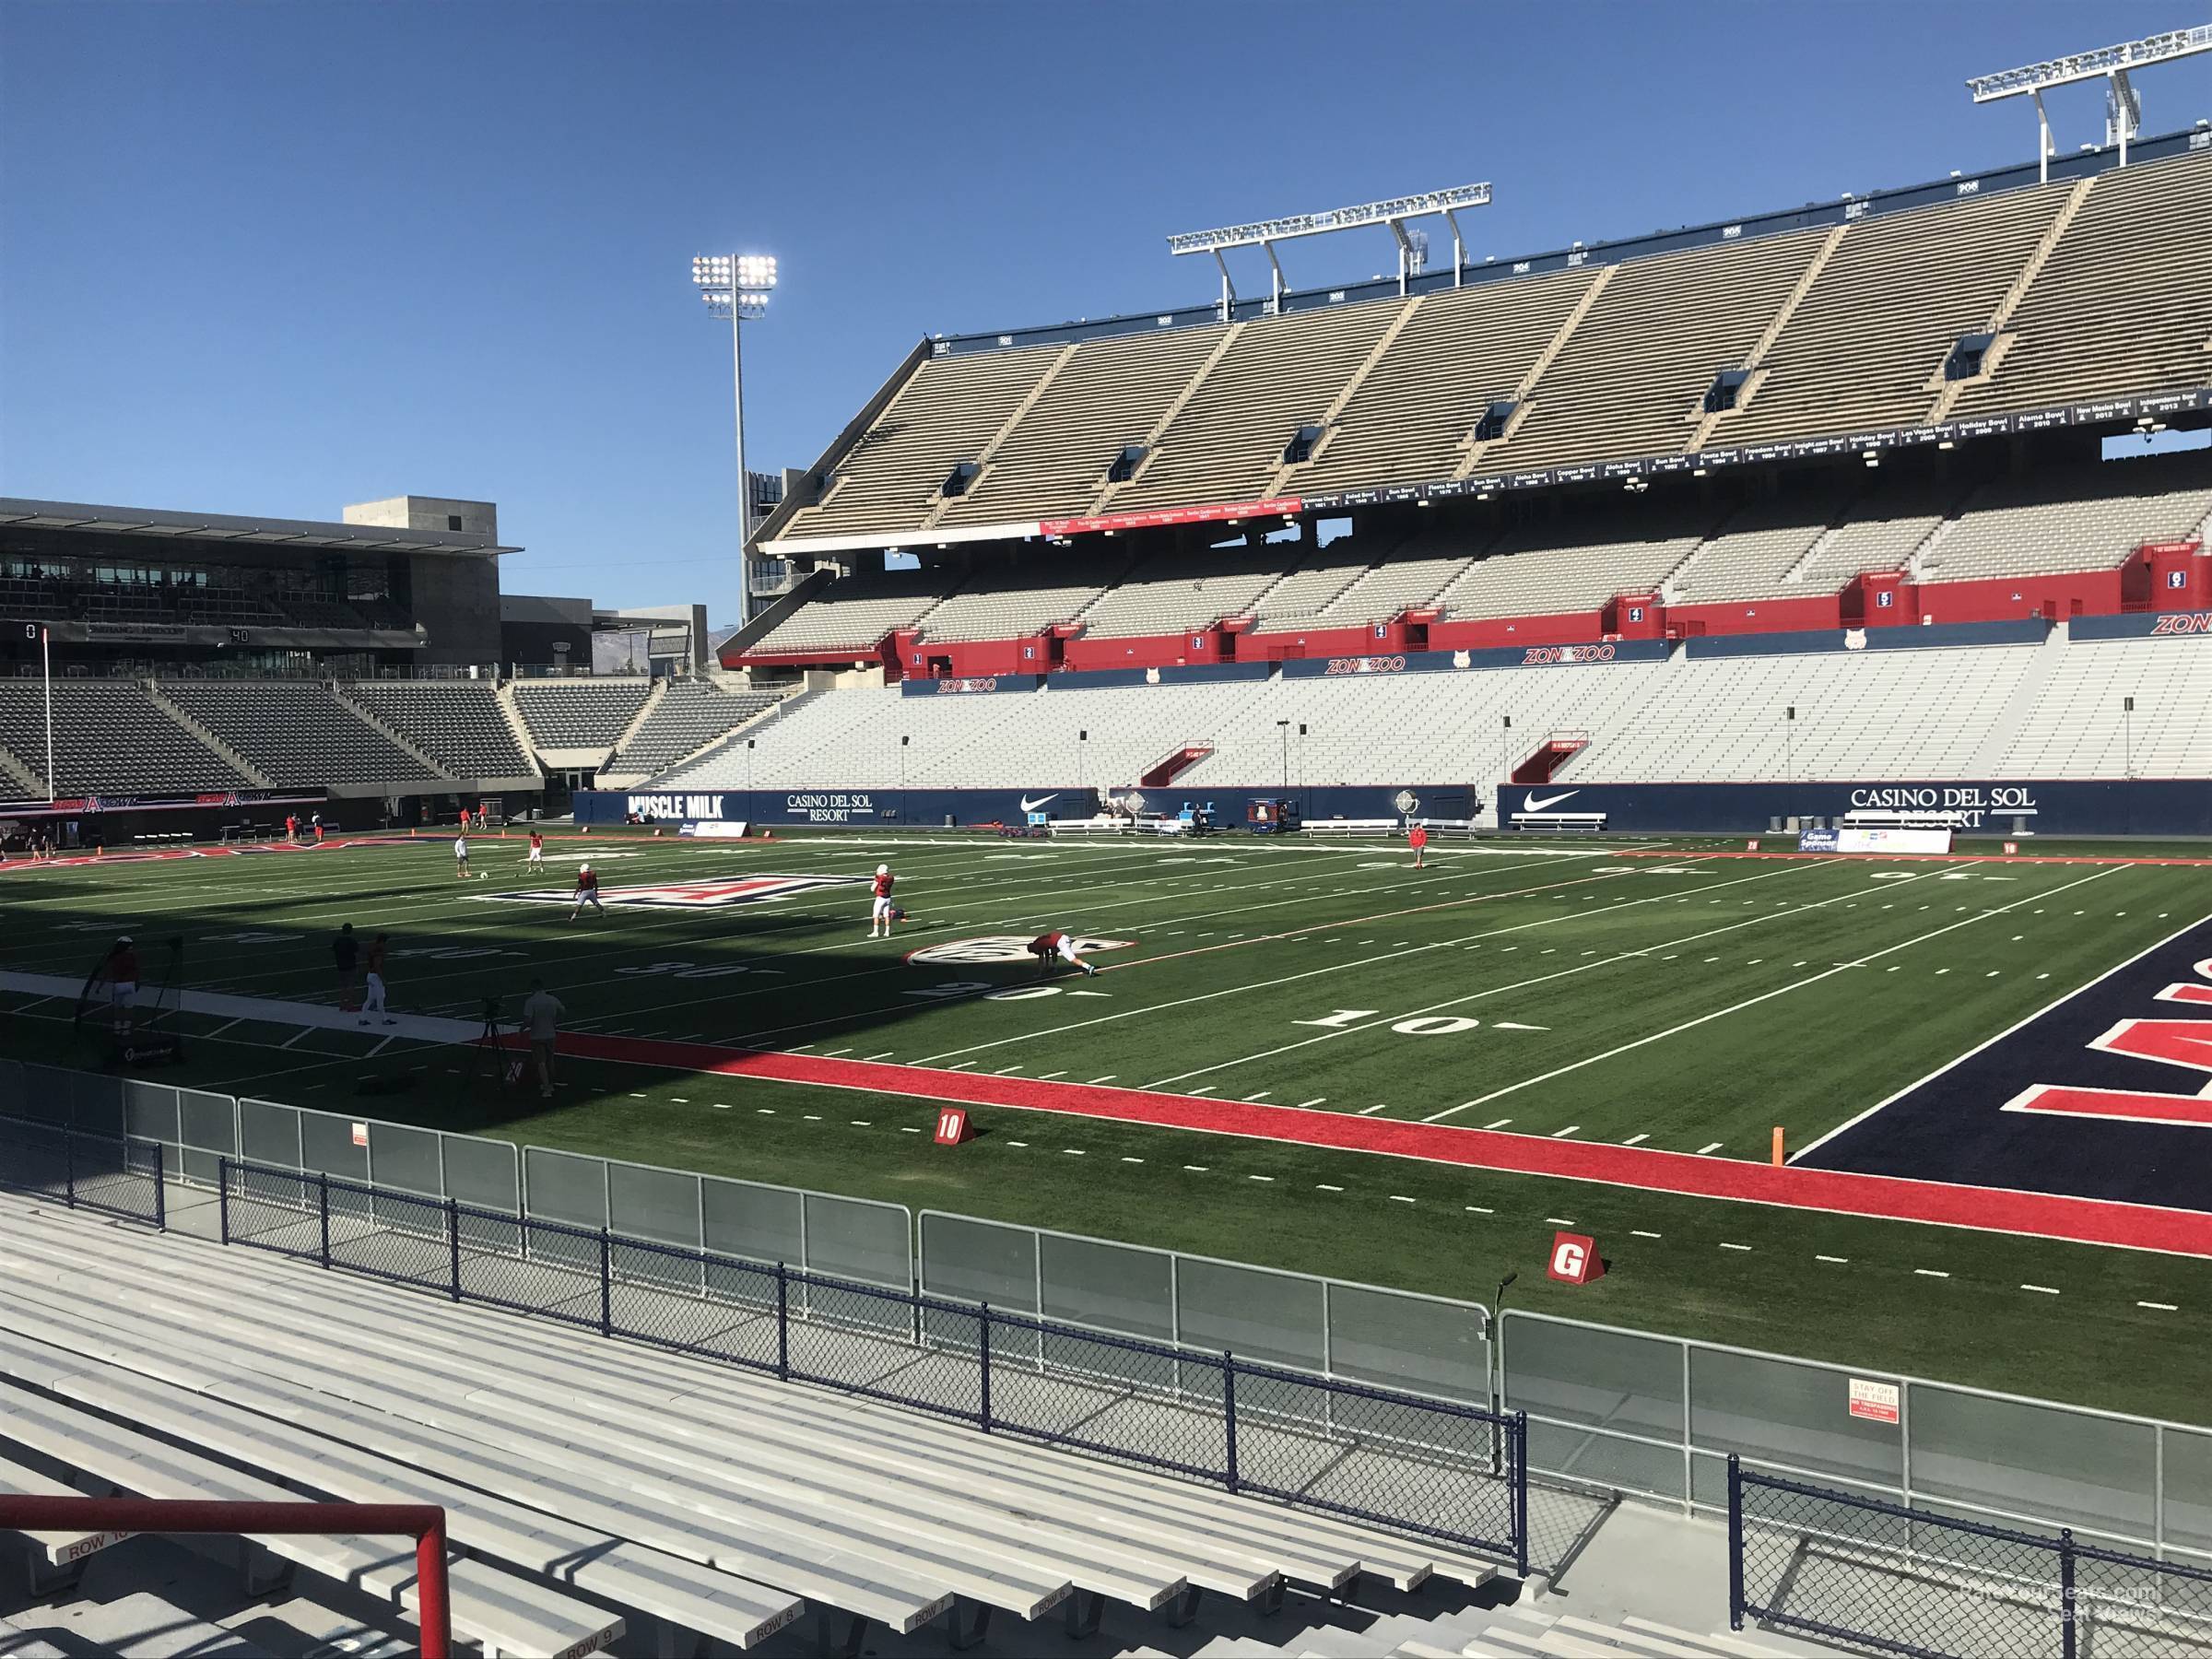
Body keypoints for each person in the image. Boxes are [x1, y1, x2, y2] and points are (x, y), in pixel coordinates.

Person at [521, 977, 565, 1099]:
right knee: (550, 1060)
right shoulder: (552, 999)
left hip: (537, 1035)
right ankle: (550, 1084)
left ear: (533, 988)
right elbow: (563, 1010)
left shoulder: (531, 1001)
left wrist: (521, 1029)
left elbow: (528, 1020)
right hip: (551, 1034)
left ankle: (546, 1088)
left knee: (541, 1062)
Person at [104, 935, 140, 1034]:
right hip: (130, 983)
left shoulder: (114, 956)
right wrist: (137, 982)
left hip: (118, 984)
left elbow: (110, 969)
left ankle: (117, 1026)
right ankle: (126, 1028)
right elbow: (136, 969)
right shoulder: (133, 955)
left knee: (118, 1007)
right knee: (129, 1008)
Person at [1027, 929, 1099, 979]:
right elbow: (1047, 953)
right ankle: (1054, 967)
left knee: (1072, 959)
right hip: (1064, 937)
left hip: (1061, 943)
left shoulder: (1037, 946)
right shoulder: (1039, 941)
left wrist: (1039, 973)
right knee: (1053, 950)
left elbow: (1041, 959)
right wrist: (1046, 966)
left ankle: (1088, 967)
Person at [359, 932, 394, 1027]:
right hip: (375, 977)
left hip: (370, 975)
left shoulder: (373, 947)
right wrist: (383, 979)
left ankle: (362, 1018)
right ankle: (384, 1019)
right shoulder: (378, 950)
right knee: (380, 998)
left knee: (369, 999)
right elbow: (377, 966)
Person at [332, 923, 359, 1011]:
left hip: (340, 965)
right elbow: (356, 951)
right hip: (350, 965)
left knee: (343, 986)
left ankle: (342, 1004)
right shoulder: (352, 940)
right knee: (351, 985)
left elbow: (333, 949)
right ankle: (350, 1005)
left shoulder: (338, 940)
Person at [869, 863, 898, 938]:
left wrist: (875, 881)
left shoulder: (879, 878)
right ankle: (887, 932)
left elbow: (872, 889)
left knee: (876, 915)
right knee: (886, 916)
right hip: (888, 898)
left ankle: (876, 932)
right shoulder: (891, 878)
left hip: (880, 898)